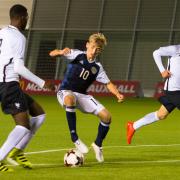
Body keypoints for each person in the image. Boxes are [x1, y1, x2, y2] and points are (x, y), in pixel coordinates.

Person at [49, 33, 124, 162]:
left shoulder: (97, 68)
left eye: (98, 49)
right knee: (70, 99)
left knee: (107, 116)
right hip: (65, 91)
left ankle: (98, 144)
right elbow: (52, 53)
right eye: (93, 46)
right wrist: (61, 52)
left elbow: (108, 83)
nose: (94, 51)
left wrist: (117, 93)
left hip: (82, 95)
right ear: (87, 45)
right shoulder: (77, 54)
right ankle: (75, 138)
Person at [0, 4, 52, 172]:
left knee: (39, 113)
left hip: (6, 83)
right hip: (8, 84)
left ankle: (18, 151)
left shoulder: (1, 32)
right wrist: (43, 83)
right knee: (23, 125)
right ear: (22, 17)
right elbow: (18, 68)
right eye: (27, 17)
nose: (27, 21)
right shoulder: (19, 37)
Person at [127, 45, 180, 144]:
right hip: (173, 90)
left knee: (161, 115)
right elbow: (156, 53)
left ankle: (133, 126)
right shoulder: (175, 49)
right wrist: (162, 71)